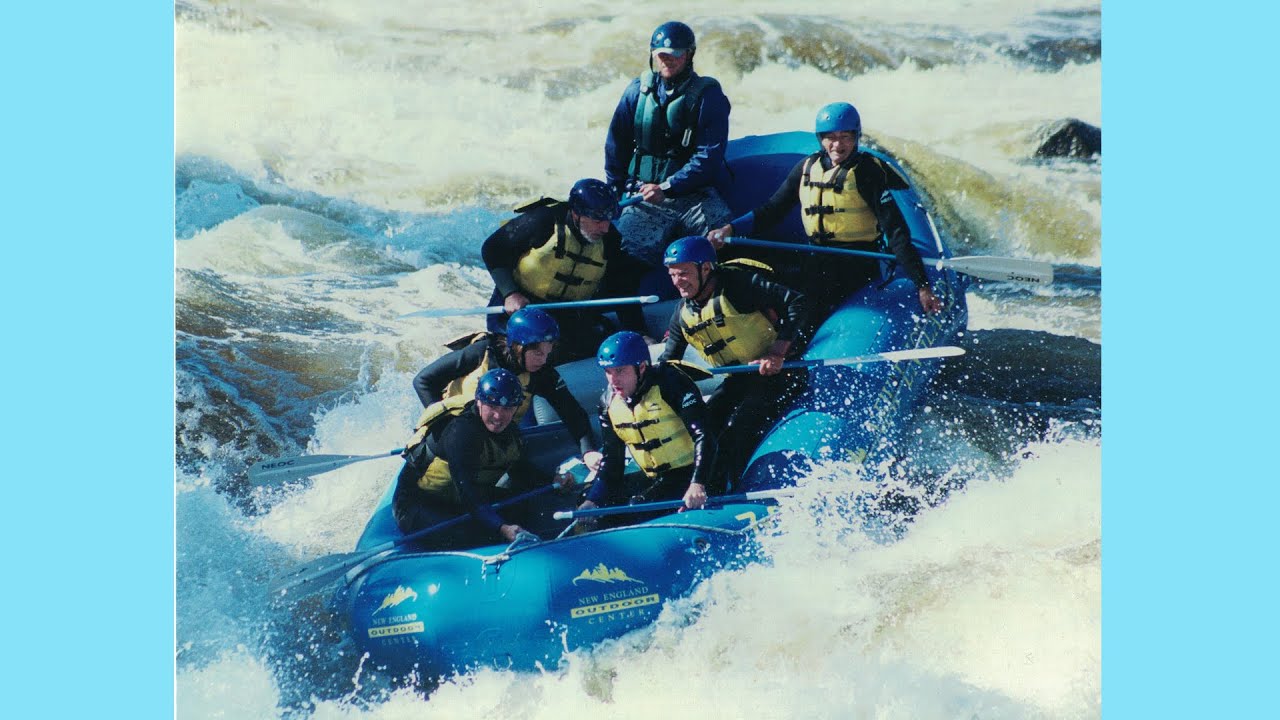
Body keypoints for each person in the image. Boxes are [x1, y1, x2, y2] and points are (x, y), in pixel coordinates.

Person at [706, 101, 944, 324]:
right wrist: (731, 229)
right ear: (821, 139)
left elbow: (896, 230)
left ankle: (787, 349)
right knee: (768, 287)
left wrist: (922, 285)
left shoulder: (866, 172)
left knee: (806, 306)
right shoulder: (808, 167)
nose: (837, 145)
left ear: (856, 138)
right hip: (817, 258)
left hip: (857, 263)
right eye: (830, 138)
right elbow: (773, 210)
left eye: (845, 137)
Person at [657, 236, 809, 491]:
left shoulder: (739, 285)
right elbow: (668, 361)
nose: (677, 282)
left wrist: (778, 351)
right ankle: (699, 488)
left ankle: (733, 490)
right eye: (672, 275)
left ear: (706, 268)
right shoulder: (682, 313)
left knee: (738, 427)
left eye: (683, 273)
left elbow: (798, 302)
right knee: (707, 424)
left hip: (779, 373)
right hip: (739, 379)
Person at [604, 20, 734, 269]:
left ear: (689, 54)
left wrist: (667, 187)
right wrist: (614, 189)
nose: (667, 60)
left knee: (723, 242)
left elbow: (709, 156)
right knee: (622, 260)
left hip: (694, 195)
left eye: (675, 55)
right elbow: (616, 146)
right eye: (661, 55)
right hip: (644, 196)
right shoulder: (636, 92)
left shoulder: (708, 96)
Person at [481, 178, 651, 361]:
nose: (605, 228)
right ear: (577, 214)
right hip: (521, 310)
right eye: (598, 220)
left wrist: (638, 331)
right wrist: (510, 293)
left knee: (601, 334)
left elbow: (622, 284)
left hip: (566, 314)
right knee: (530, 348)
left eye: (609, 220)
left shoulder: (609, 239)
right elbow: (493, 249)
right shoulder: (542, 220)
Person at [411, 306, 600, 469]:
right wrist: (444, 426)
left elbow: (572, 412)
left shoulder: (541, 373)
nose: (543, 360)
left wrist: (588, 452)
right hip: (452, 439)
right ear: (518, 347)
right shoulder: (482, 352)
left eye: (547, 353)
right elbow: (423, 381)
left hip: (494, 443)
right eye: (537, 353)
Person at [574, 331, 716, 524]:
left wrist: (698, 483)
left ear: (641, 367)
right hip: (656, 478)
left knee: (637, 506)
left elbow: (705, 435)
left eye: (620, 371)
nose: (613, 380)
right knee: (588, 500)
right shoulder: (608, 403)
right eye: (608, 372)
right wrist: (593, 500)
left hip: (694, 472)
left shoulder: (672, 383)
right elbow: (612, 461)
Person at [393, 368, 540, 549]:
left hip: (455, 500)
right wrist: (501, 527)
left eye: (507, 408)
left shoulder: (512, 434)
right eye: (492, 406)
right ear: (479, 402)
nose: (498, 416)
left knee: (524, 505)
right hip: (418, 503)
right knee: (474, 535)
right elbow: (468, 492)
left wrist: (555, 479)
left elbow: (520, 469)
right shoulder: (461, 432)